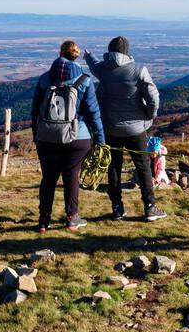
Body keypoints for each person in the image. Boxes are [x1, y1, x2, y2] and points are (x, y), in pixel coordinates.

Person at [83, 36, 166, 221]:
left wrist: (87, 56)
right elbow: (154, 97)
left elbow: (93, 65)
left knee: (113, 167)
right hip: (136, 130)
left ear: (110, 51)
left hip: (111, 128)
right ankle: (150, 207)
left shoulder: (103, 70)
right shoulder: (138, 70)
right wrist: (148, 115)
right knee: (143, 166)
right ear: (127, 51)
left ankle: (117, 208)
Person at [30, 40, 104, 232]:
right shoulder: (84, 80)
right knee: (71, 177)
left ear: (60, 54)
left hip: (46, 137)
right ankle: (71, 218)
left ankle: (43, 221)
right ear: (76, 56)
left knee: (48, 179)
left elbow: (35, 110)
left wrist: (36, 133)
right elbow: (93, 113)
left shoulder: (45, 79)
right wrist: (100, 139)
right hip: (77, 137)